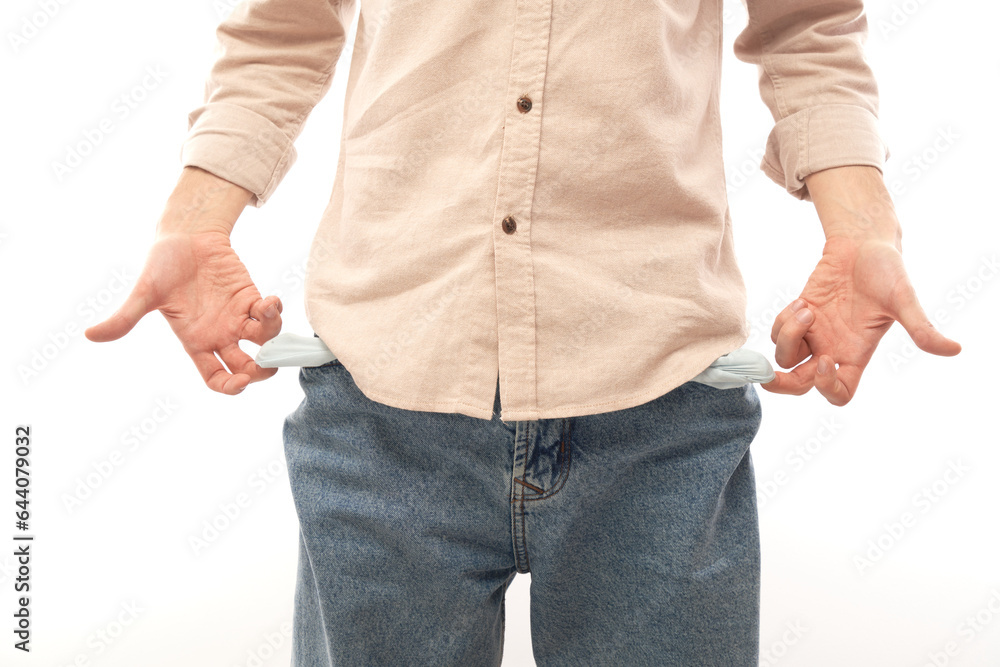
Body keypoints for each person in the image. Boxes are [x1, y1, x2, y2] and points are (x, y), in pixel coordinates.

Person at [84, 0, 962, 664]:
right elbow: (283, 30)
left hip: (660, 403)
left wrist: (862, 229)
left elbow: (809, 30)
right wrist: (200, 220)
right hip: (385, 395)